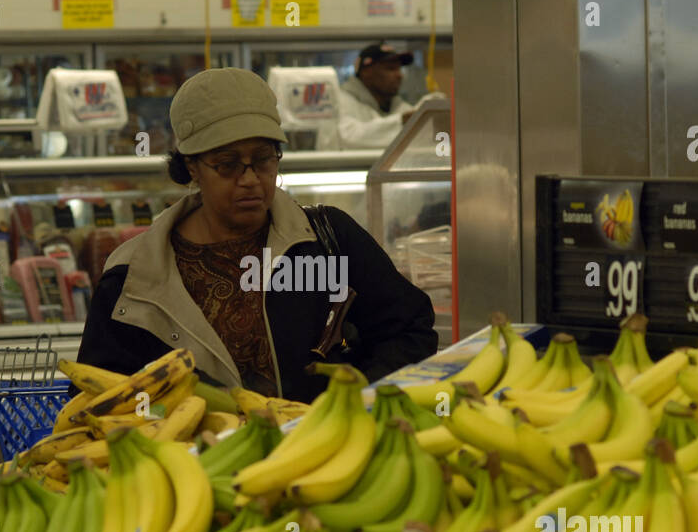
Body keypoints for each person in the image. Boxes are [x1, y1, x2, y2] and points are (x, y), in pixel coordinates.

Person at [77, 67, 438, 402]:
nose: (250, 179)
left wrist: (347, 403)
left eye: (264, 159)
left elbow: (409, 332)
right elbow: (102, 395)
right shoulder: (133, 279)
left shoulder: (328, 242)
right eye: (228, 164)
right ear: (192, 167)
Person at [338, 42, 421, 149]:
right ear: (366, 72)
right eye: (390, 69)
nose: (399, 75)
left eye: (399, 69)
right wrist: (401, 121)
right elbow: (348, 138)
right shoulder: (342, 102)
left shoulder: (399, 106)